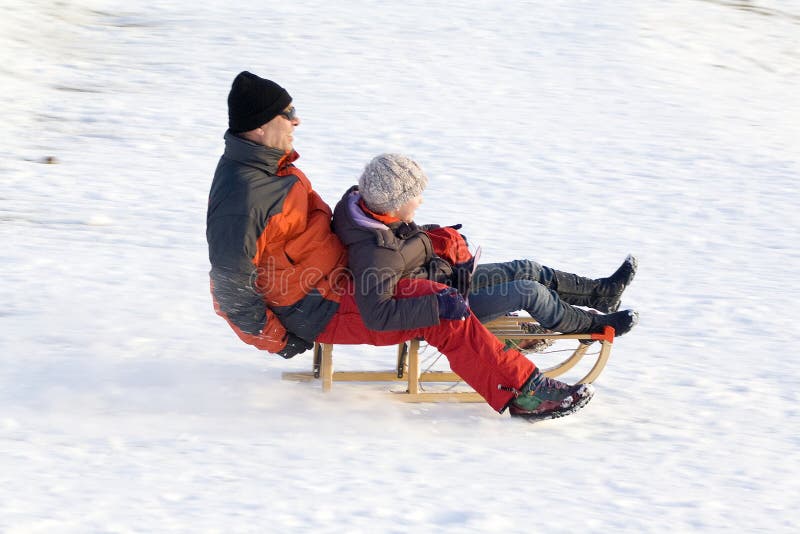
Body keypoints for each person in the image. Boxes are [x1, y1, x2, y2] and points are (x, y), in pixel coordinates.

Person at [206, 71, 611, 422]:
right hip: (319, 306)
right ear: (260, 126)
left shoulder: (271, 168)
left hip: (341, 281)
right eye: (287, 113)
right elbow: (229, 286)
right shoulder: (243, 197)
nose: (297, 120)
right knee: (437, 307)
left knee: (439, 258)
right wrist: (278, 339)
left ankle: (507, 335)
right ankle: (526, 393)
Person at [331, 153, 639, 350]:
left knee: (526, 268)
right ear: (394, 204)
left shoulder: (373, 214)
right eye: (415, 196)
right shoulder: (375, 249)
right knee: (529, 291)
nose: (420, 201)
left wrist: (432, 238)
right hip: (444, 307)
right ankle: (593, 326)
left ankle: (601, 292)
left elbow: (404, 257)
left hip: (447, 281)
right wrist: (440, 304)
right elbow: (379, 311)